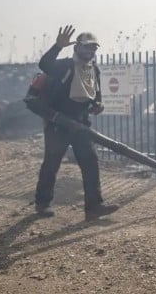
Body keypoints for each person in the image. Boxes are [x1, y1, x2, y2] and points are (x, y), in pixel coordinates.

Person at [34, 25, 118, 220]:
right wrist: (57, 46)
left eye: (93, 48)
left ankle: (94, 207)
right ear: (77, 47)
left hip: (80, 123)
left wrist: (97, 105)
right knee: (52, 162)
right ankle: (42, 203)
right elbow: (44, 65)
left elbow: (95, 94)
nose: (90, 51)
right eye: (87, 47)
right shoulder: (64, 65)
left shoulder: (93, 69)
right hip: (58, 122)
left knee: (90, 162)